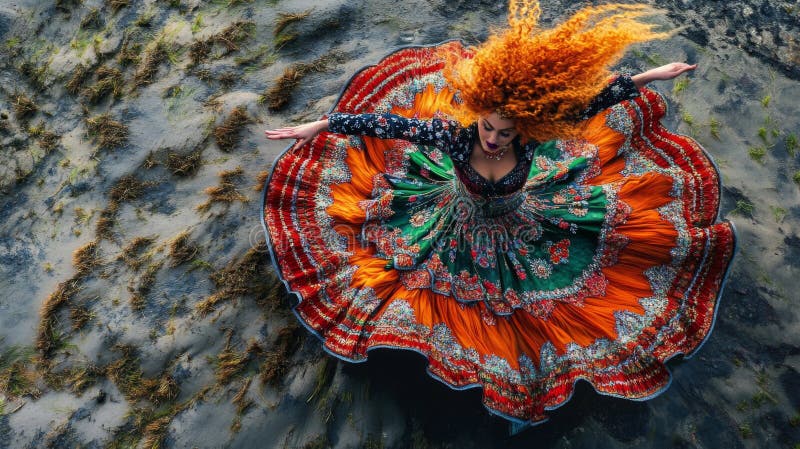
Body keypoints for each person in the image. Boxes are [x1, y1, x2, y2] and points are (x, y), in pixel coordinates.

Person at [262, 0, 736, 430]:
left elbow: (593, 100)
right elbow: (386, 123)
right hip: (451, 217)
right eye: (487, 127)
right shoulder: (454, 136)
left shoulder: (530, 139)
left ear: (523, 128)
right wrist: (319, 125)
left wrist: (654, 74)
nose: (492, 139)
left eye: (503, 132)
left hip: (519, 219)